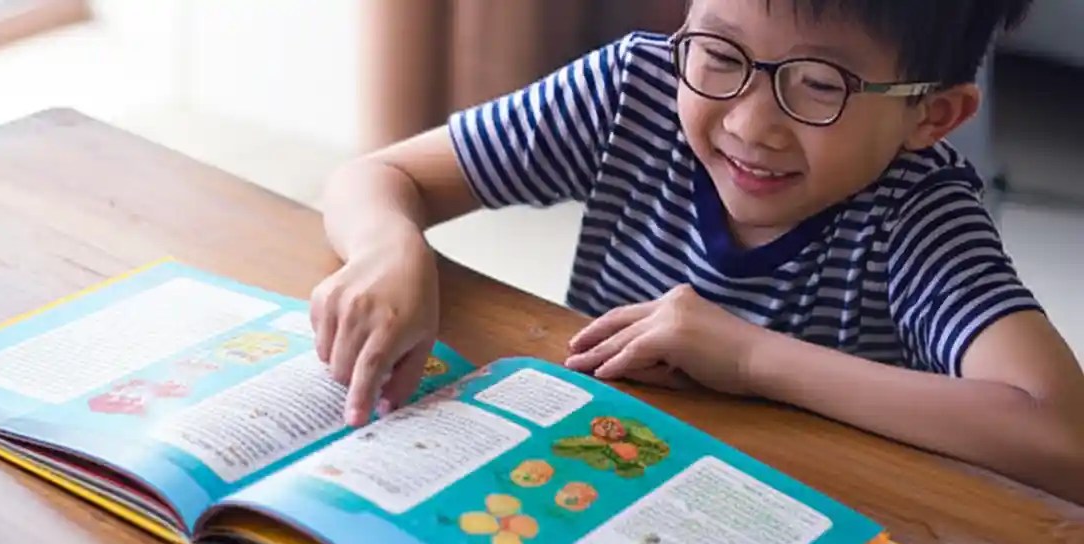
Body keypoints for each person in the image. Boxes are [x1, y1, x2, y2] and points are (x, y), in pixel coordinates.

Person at [309, 0, 1084, 501]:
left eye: (818, 85)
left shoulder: (916, 209)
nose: (750, 123)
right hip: (595, 474)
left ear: (932, 116)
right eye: (718, 53)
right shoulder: (633, 92)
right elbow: (378, 177)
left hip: (815, 526)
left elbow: (1061, 435)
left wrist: (748, 359)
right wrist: (387, 250)